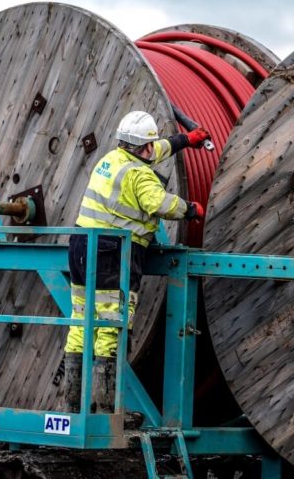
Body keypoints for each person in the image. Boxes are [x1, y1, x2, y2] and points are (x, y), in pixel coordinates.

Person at [63, 110, 209, 414]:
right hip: (111, 252)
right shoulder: (139, 175)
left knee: (81, 319)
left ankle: (72, 405)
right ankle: (106, 410)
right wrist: (190, 209)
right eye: (150, 146)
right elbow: (158, 202)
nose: (153, 150)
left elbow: (156, 151)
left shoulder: (112, 160)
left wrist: (184, 140)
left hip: (80, 244)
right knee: (110, 325)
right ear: (142, 147)